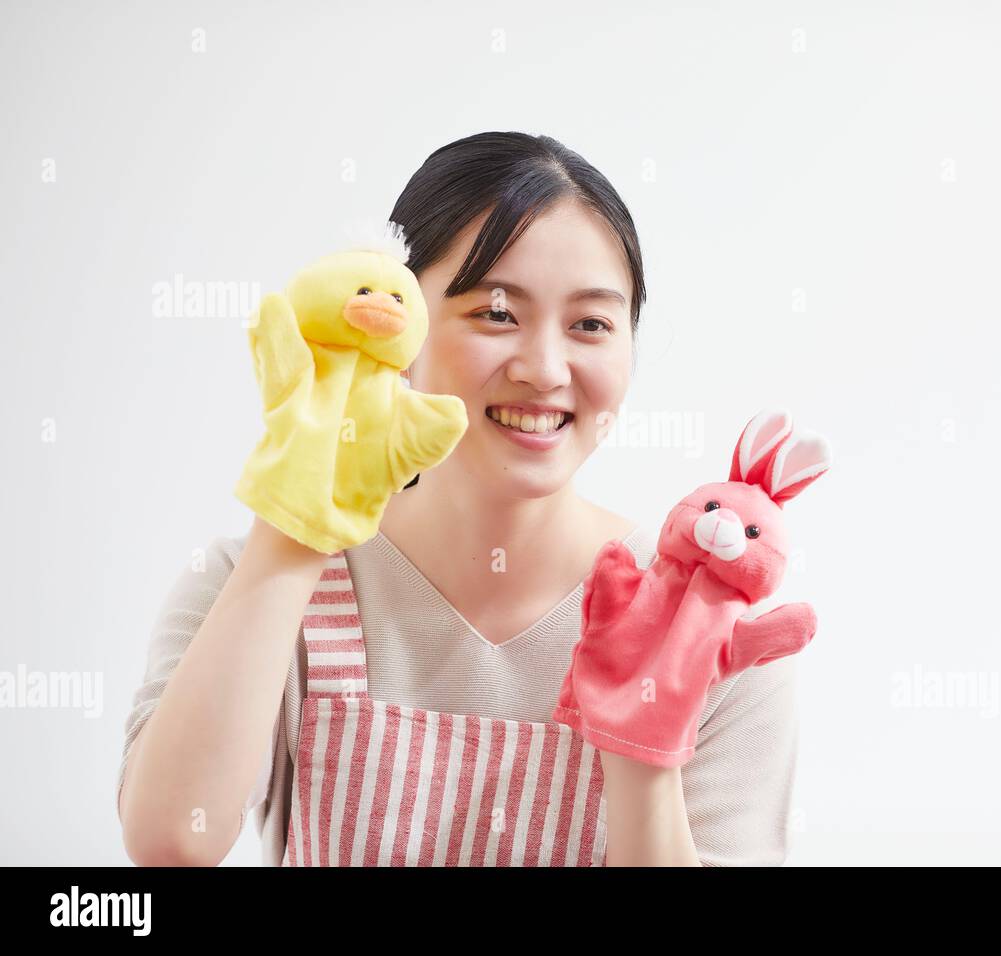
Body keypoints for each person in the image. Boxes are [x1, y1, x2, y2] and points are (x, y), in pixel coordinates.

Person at [117, 131, 800, 866]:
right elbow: (169, 842)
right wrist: (292, 535)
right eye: (496, 313)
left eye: (590, 325)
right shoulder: (253, 581)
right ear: (399, 326)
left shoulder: (708, 627)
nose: (544, 369)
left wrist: (642, 757)